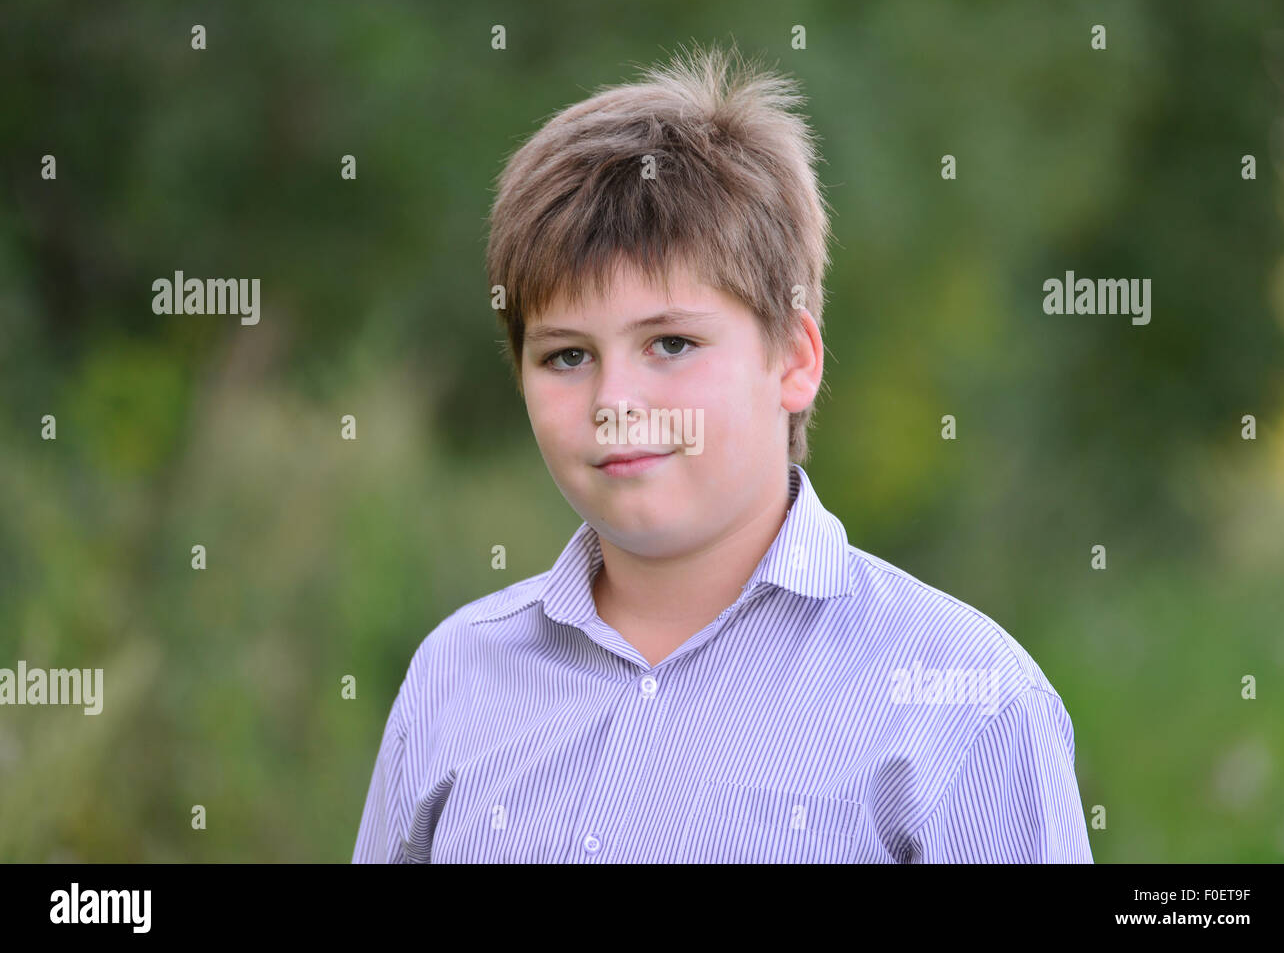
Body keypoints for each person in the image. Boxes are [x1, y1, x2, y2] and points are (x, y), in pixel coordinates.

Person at [352, 42, 1092, 863]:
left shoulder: (966, 703)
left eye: (670, 342)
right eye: (567, 355)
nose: (614, 405)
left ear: (795, 358)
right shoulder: (456, 675)